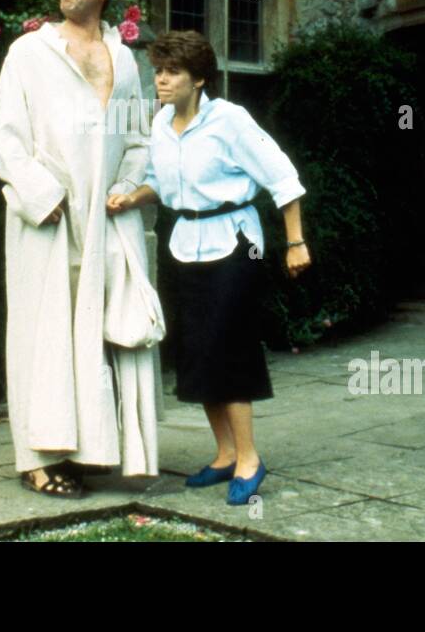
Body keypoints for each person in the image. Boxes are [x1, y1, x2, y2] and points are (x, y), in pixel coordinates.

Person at [106, 30, 310, 505]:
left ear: (198, 79)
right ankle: (223, 455)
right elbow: (159, 180)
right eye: (157, 71)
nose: (161, 80)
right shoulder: (161, 124)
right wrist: (130, 198)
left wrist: (296, 241)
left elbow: (282, 177)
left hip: (234, 246)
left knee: (229, 348)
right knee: (197, 352)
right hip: (185, 247)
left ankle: (249, 459)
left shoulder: (230, 121)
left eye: (172, 72)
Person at [0, 0, 163, 498]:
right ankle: (38, 459)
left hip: (107, 218)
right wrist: (43, 196)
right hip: (49, 217)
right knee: (44, 335)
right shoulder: (29, 53)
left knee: (101, 332)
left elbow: (139, 138)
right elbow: (8, 140)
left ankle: (88, 450)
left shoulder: (125, 59)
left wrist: (124, 188)